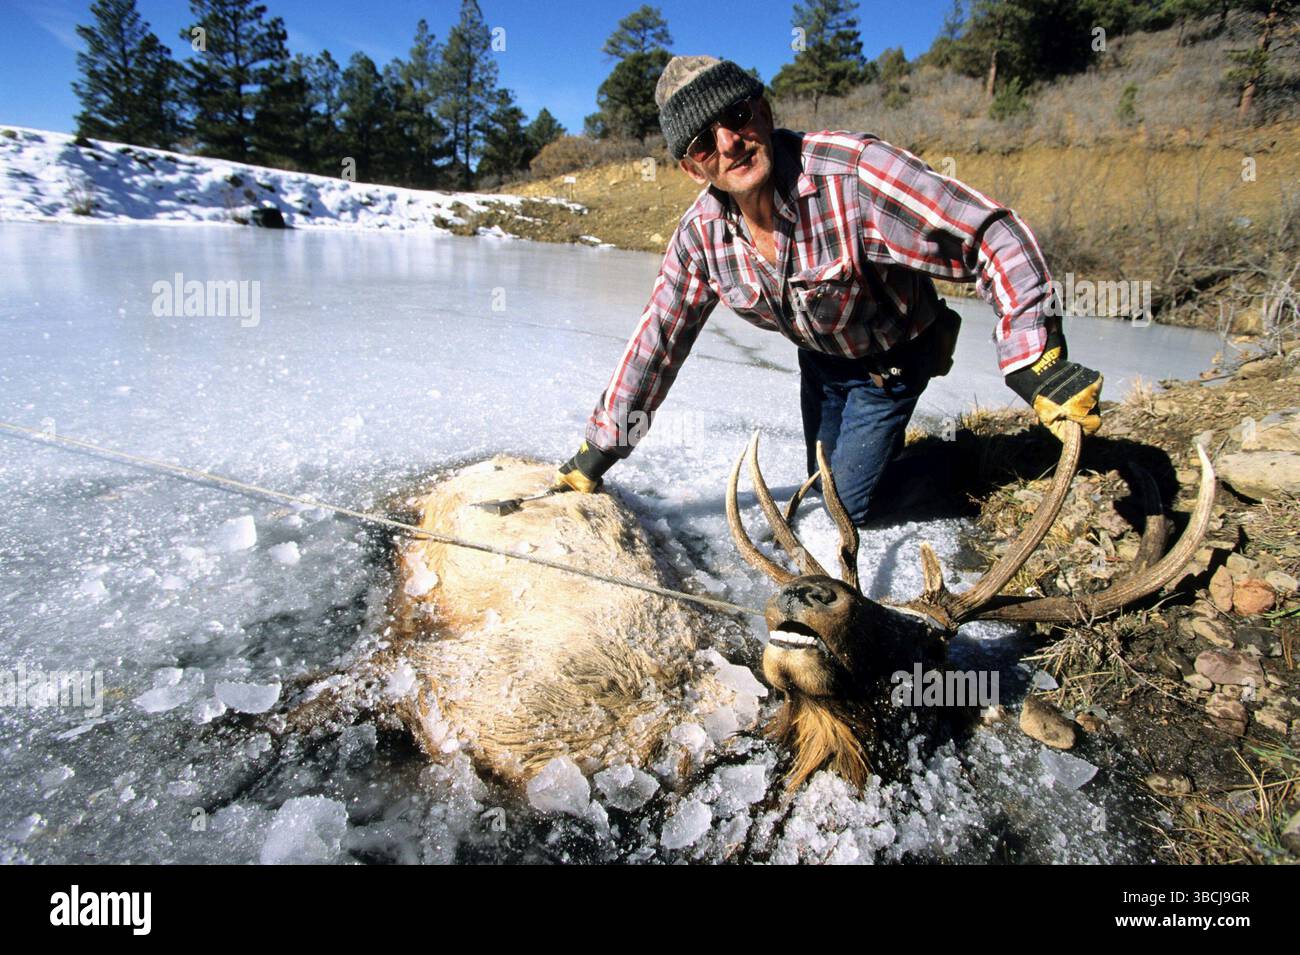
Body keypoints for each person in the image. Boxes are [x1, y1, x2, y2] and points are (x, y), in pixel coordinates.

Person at [555, 55, 1102, 525]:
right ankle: (880, 461)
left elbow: (989, 234)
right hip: (822, 364)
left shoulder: (854, 176)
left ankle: (971, 465)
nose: (729, 143)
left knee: (850, 508)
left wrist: (1036, 357)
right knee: (822, 489)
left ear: (764, 111)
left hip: (892, 361)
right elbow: (658, 342)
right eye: (703, 143)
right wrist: (599, 451)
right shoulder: (701, 238)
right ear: (691, 168)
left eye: (737, 116)